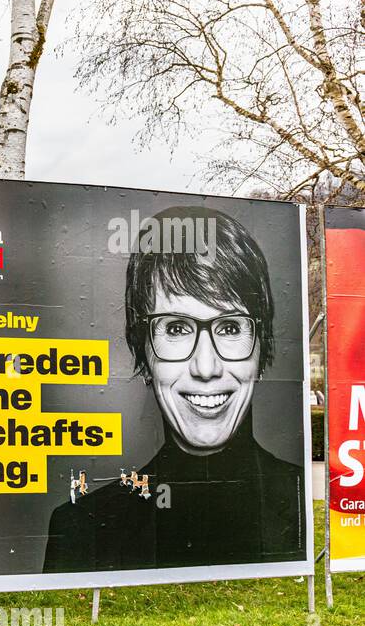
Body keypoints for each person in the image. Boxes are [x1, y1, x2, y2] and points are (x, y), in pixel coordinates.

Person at [44, 206, 303, 572]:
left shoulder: (304, 505)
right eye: (176, 328)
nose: (206, 367)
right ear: (142, 351)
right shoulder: (82, 528)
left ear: (263, 347)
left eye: (229, 327)